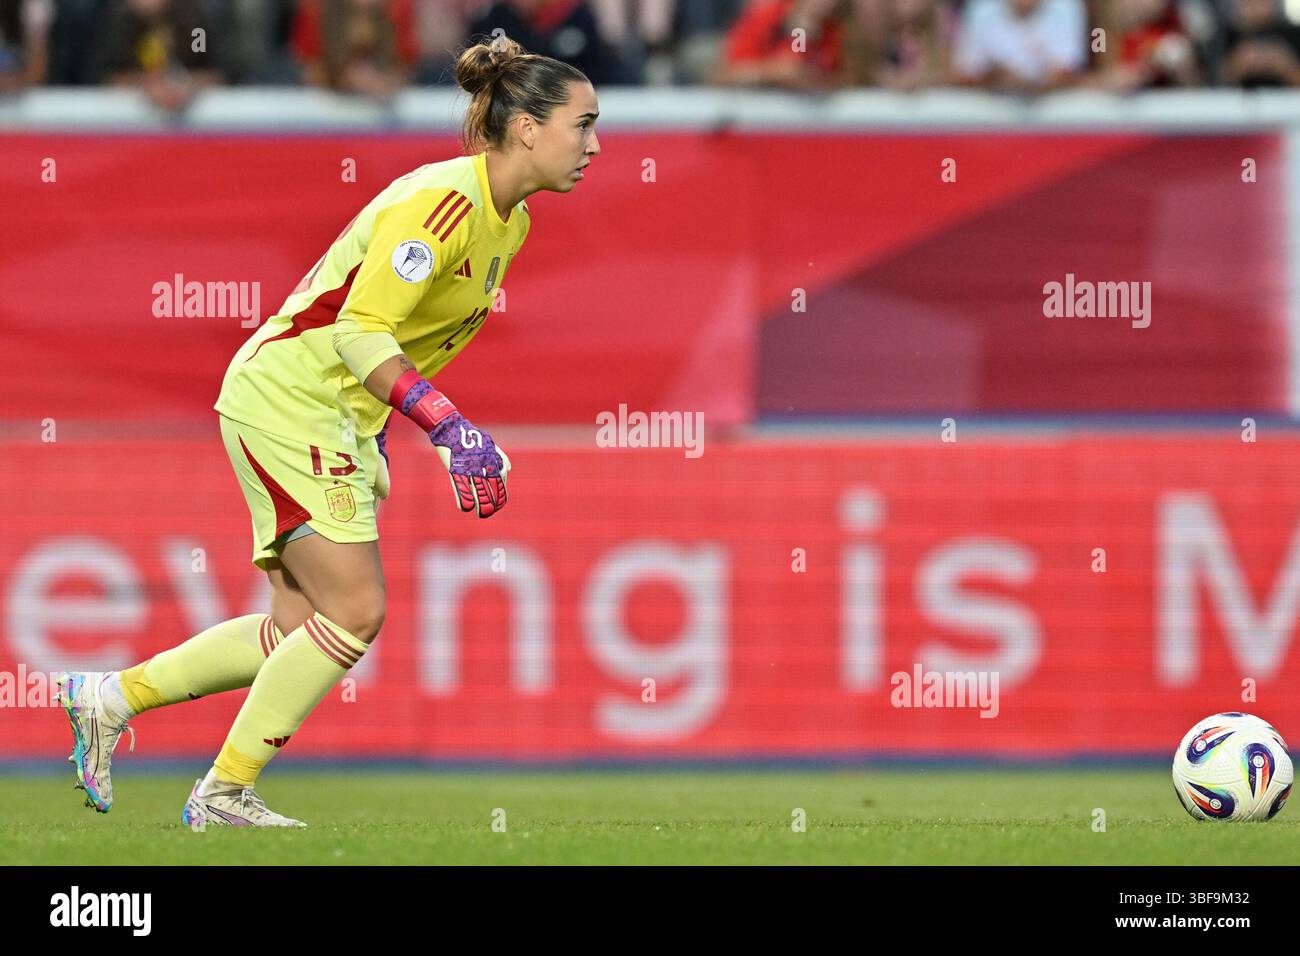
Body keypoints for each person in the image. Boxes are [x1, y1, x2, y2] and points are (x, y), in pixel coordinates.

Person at [56, 32, 601, 828]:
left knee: (294, 629)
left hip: (326, 411)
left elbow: (398, 342)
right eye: (583, 124)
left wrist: (379, 427)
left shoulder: (506, 223)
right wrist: (445, 424)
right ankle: (223, 792)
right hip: (290, 397)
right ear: (527, 128)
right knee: (356, 610)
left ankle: (108, 698)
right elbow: (358, 330)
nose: (595, 144)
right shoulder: (443, 204)